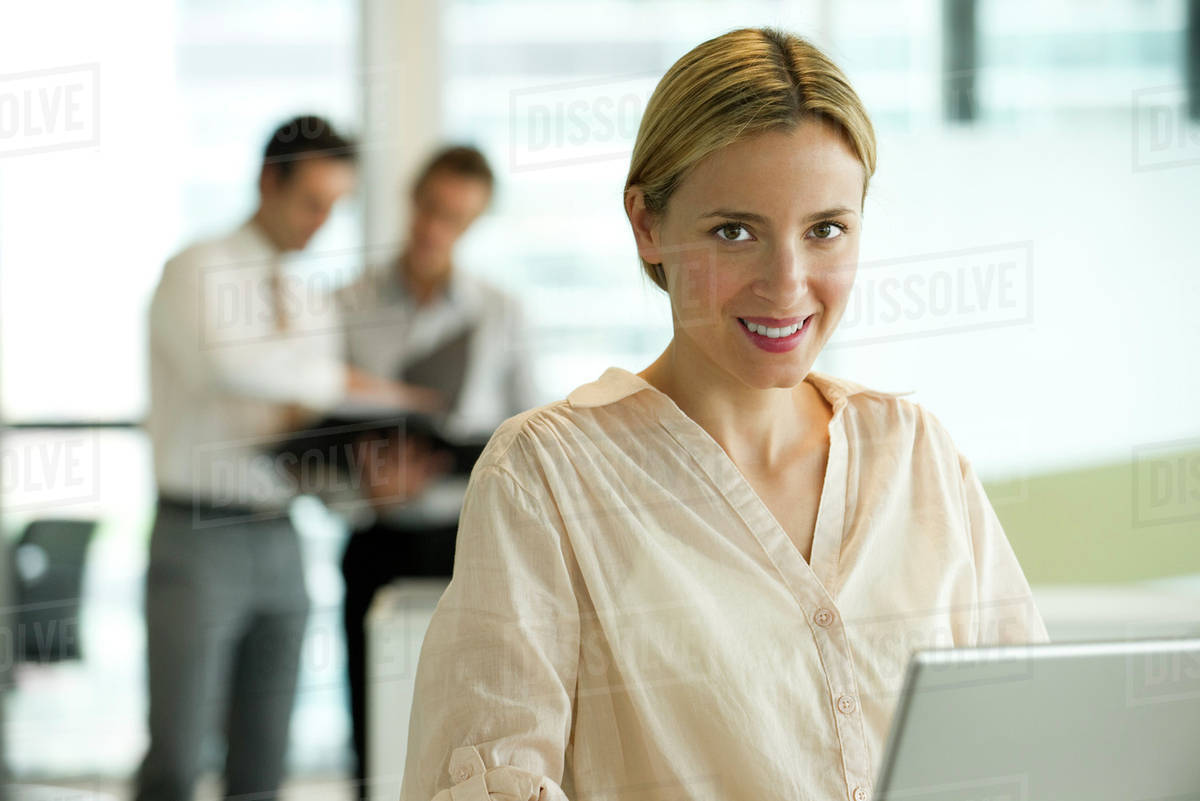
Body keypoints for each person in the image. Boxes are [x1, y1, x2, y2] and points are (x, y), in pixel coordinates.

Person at [397, 28, 1052, 801]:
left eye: (826, 230)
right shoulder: (546, 475)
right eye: (733, 231)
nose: (787, 283)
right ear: (647, 225)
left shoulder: (916, 454)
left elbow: (1031, 741)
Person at [138, 115, 431, 801]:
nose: (321, 223)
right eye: (311, 202)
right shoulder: (196, 269)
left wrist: (368, 488)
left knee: (266, 760)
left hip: (281, 536)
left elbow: (307, 436)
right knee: (178, 758)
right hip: (197, 534)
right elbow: (234, 369)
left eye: (335, 207)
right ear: (270, 180)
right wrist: (367, 387)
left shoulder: (307, 299)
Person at [335, 145, 540, 793]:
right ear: (411, 199)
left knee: (466, 720)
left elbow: (532, 436)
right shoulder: (347, 303)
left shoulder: (500, 312)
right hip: (378, 538)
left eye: (454, 218)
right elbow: (320, 432)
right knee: (373, 721)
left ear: (473, 224)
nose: (433, 229)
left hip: (466, 543)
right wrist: (360, 486)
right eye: (428, 209)